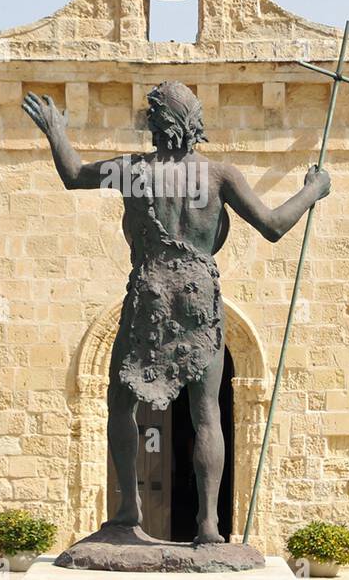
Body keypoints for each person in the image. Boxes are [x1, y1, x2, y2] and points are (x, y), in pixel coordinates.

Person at [22, 81, 329, 544]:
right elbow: (273, 226)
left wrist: (56, 132)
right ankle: (208, 526)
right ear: (195, 125)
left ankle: (129, 508)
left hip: (149, 291)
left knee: (120, 401)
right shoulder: (220, 175)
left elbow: (73, 175)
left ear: (154, 124)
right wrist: (314, 190)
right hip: (199, 295)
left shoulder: (131, 171)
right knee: (205, 410)